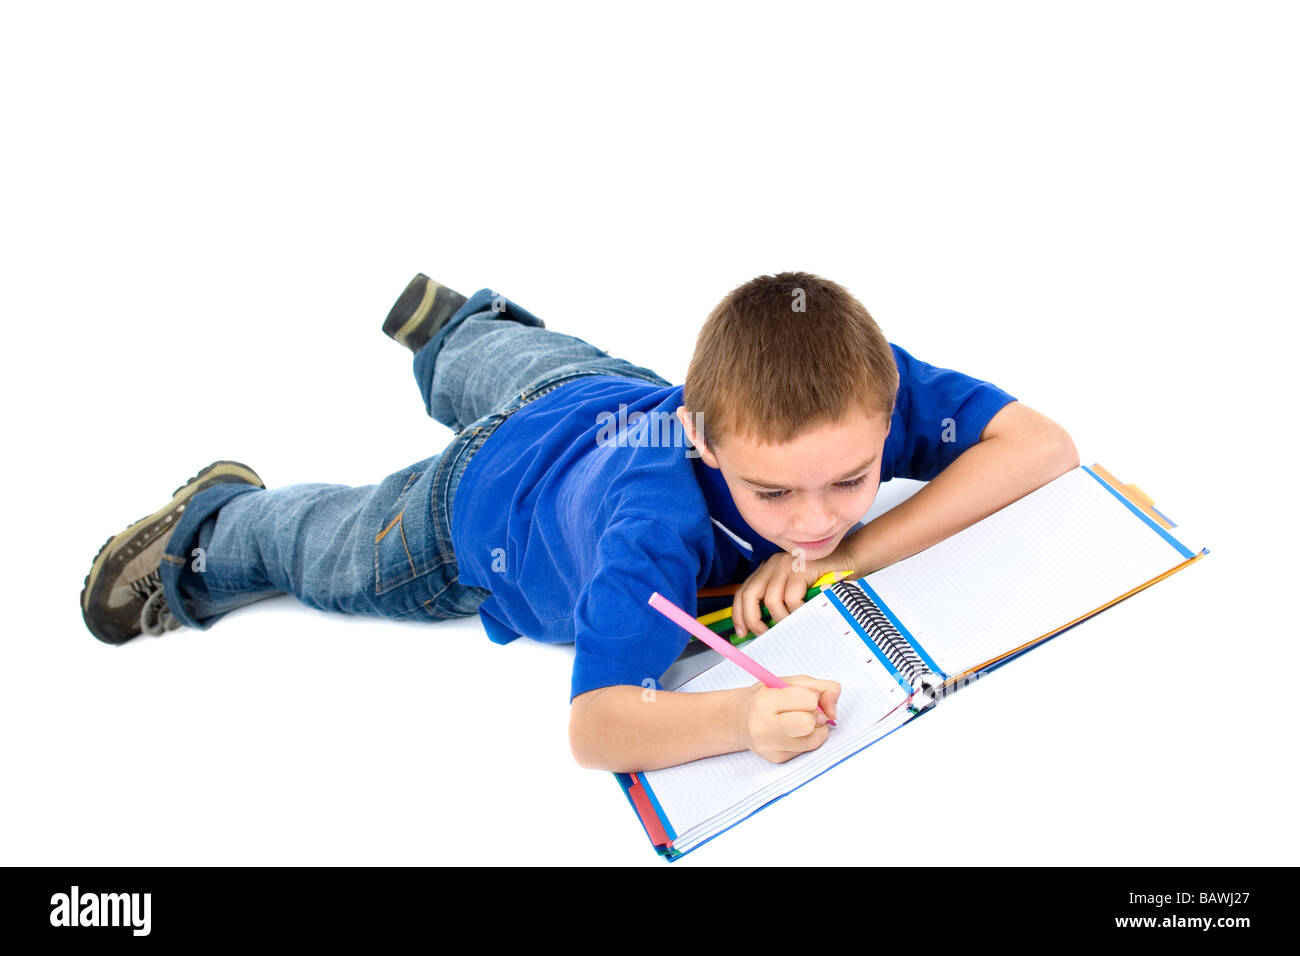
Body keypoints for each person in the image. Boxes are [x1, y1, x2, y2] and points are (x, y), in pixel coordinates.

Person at [80, 271, 1078, 773]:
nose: (811, 520)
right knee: (325, 547)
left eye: (852, 481)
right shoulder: (651, 528)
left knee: (529, 367)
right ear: (704, 433)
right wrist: (736, 717)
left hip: (593, 396)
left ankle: (458, 335)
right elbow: (597, 724)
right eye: (771, 495)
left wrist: (856, 551)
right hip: (463, 515)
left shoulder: (854, 391)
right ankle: (207, 532)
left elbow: (1042, 446)